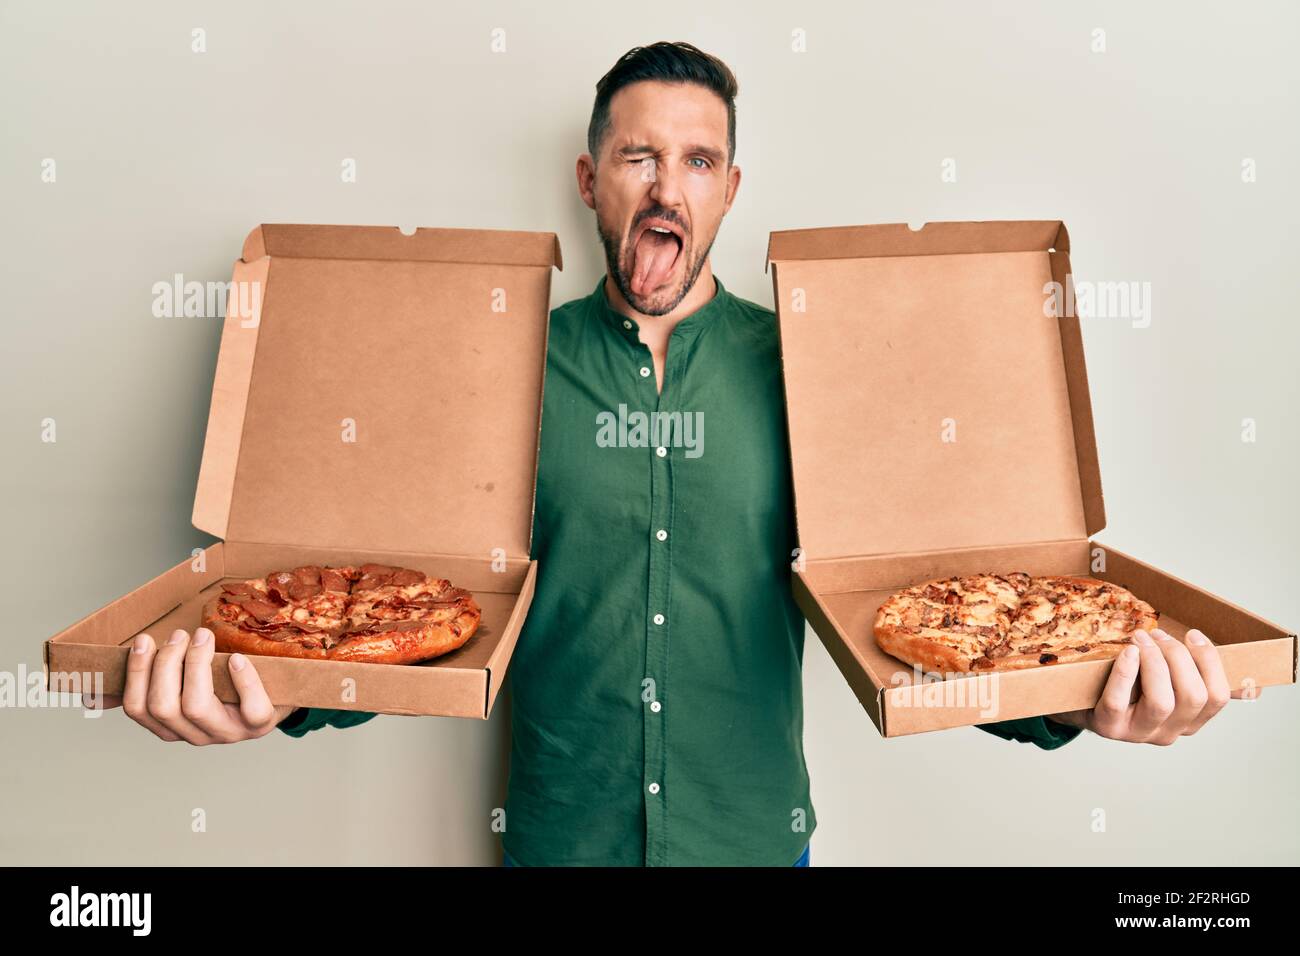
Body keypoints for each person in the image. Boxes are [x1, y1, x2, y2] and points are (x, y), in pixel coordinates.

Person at [92, 41, 1261, 867]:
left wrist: (1075, 704)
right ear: (590, 179)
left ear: (731, 188)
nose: (668, 185)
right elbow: (401, 609)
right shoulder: (489, 370)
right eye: (640, 157)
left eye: (698, 161)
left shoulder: (815, 370)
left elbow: (920, 604)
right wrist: (273, 699)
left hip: (756, 845)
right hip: (555, 848)